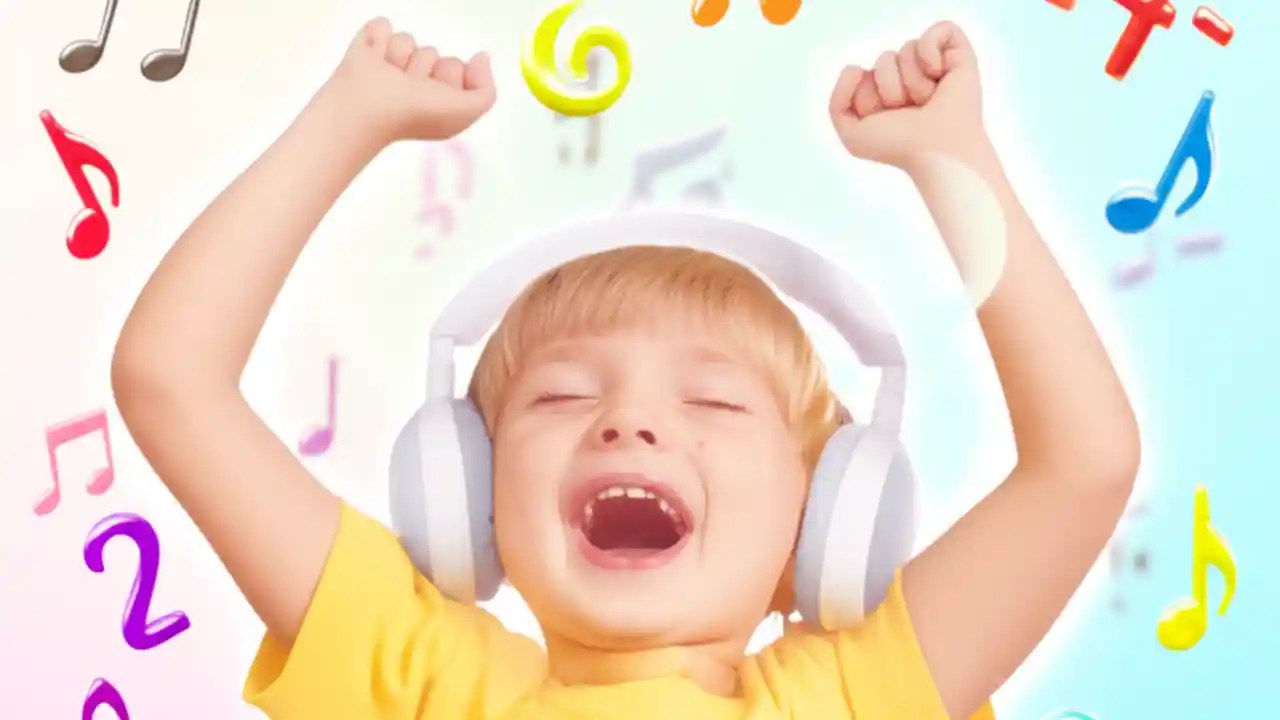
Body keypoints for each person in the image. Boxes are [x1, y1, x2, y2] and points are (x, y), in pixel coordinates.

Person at [111, 16, 1140, 720]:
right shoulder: (426, 679)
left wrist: (953, 163)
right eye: (560, 396)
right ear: (465, 495)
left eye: (714, 401)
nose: (629, 424)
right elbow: (170, 377)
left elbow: (1082, 464)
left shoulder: (853, 696)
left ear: (825, 515)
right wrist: (344, 122)